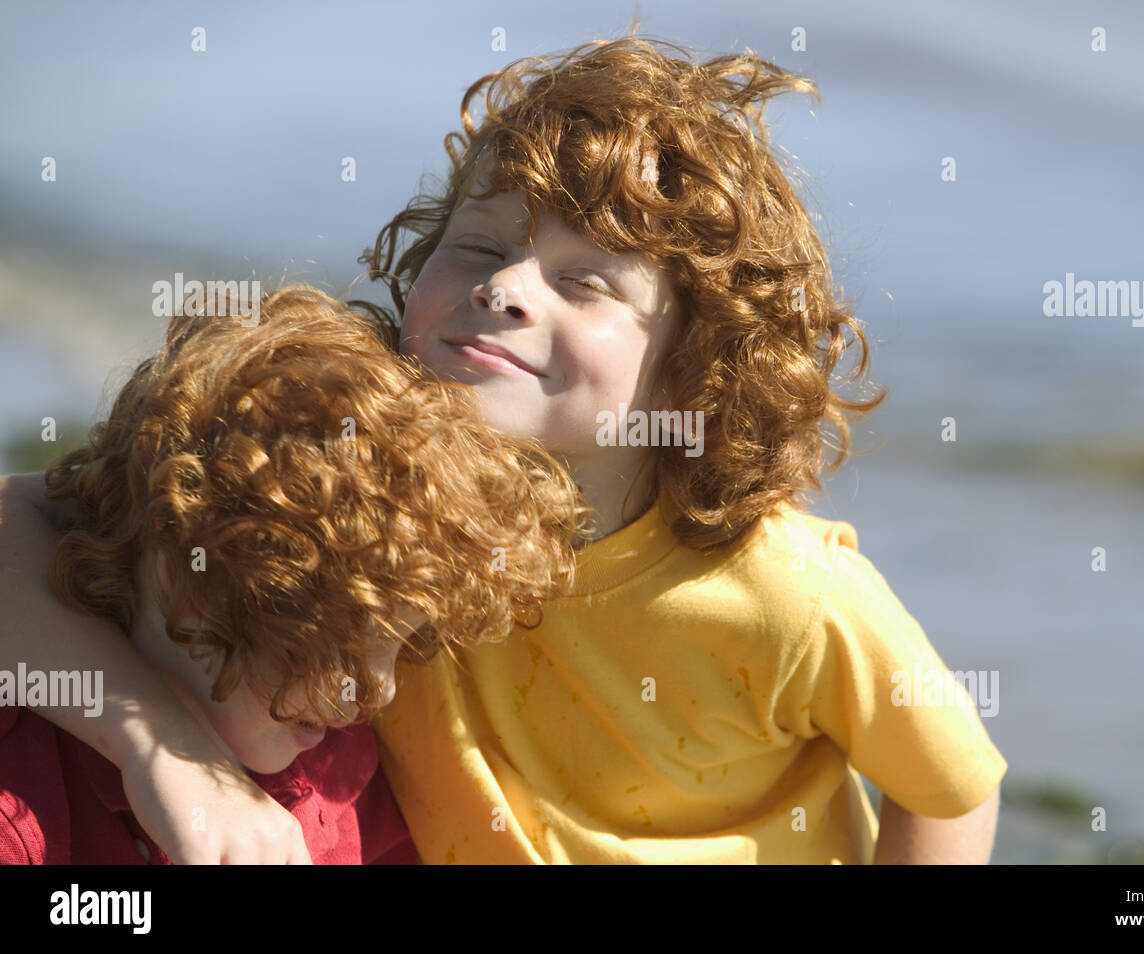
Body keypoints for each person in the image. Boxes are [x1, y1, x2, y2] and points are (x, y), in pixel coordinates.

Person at [0, 33, 1004, 864]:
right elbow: (27, 524)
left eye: (587, 281)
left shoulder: (781, 591)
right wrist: (168, 753)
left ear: (697, 364)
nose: (506, 288)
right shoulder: (356, 486)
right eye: (478, 249)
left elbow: (950, 792)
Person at [0, 285, 587, 863]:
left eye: (400, 645)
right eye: (345, 642)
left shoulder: (336, 768)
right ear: (185, 576)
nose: (379, 690)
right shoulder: (27, 805)